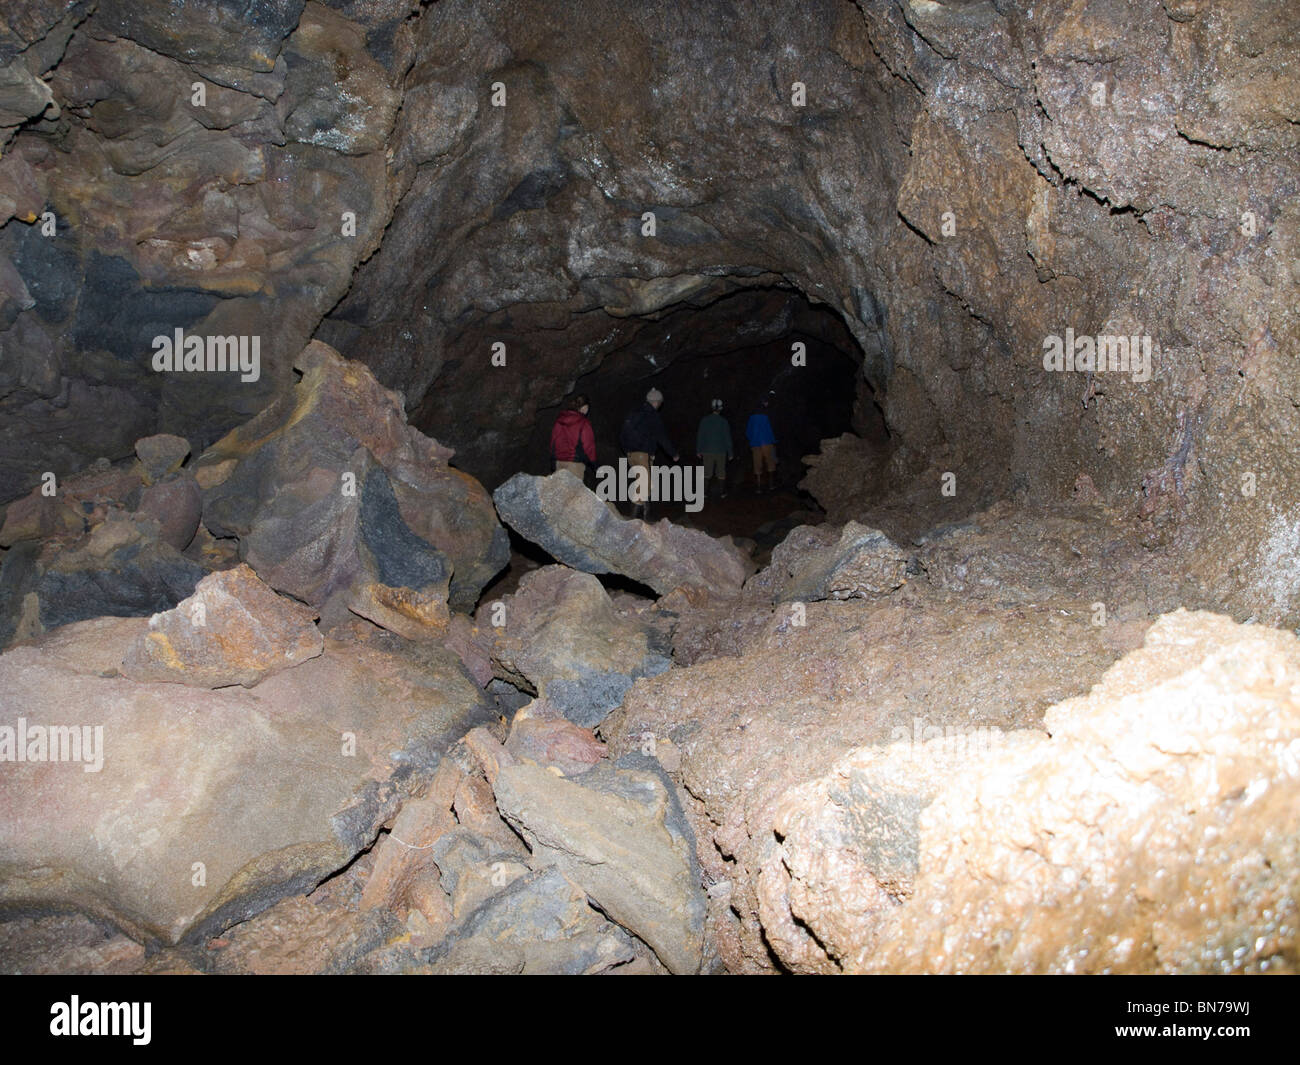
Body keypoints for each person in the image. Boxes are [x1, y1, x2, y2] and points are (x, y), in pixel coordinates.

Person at [619, 387, 678, 519]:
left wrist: (627, 450)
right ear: (656, 402)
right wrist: (673, 453)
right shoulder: (652, 415)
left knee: (646, 484)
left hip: (631, 454)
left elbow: (623, 433)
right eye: (660, 403)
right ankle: (632, 520)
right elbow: (661, 437)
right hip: (642, 454)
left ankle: (646, 517)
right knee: (644, 485)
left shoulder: (635, 412)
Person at [550, 394, 596, 485]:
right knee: (573, 496)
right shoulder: (583, 422)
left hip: (559, 463)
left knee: (560, 492)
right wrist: (595, 464)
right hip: (575, 464)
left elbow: (553, 442)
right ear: (584, 407)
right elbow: (588, 446)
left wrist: (552, 460)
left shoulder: (560, 420)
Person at [696, 398, 733, 501]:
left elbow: (700, 436)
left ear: (711, 408)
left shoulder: (704, 420)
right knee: (721, 472)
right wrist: (730, 452)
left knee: (707, 472)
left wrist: (699, 450)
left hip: (707, 451)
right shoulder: (724, 421)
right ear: (721, 409)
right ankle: (722, 493)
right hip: (721, 451)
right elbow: (727, 438)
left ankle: (704, 493)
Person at [746, 395, 777, 494]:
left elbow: (748, 432)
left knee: (757, 465)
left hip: (756, 444)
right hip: (767, 443)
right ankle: (771, 485)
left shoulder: (752, 417)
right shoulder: (767, 416)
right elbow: (770, 430)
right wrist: (773, 441)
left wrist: (752, 441)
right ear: (763, 404)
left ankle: (758, 488)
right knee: (770, 463)